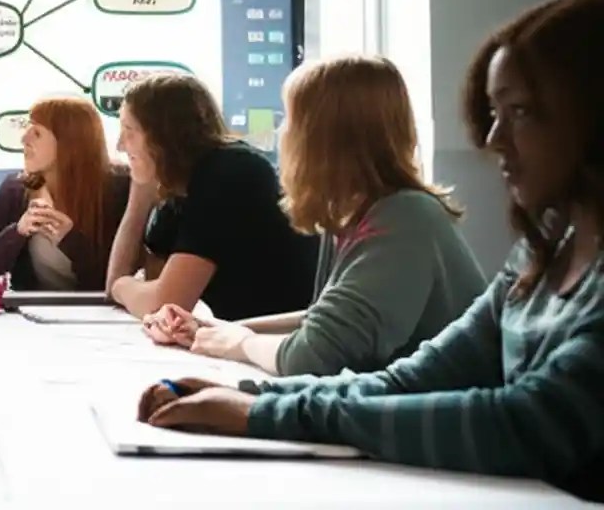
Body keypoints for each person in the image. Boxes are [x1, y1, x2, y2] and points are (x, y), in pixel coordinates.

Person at [136, 0, 604, 502]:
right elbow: (417, 379)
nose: (493, 139)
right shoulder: (540, 256)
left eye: (521, 112)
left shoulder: (405, 218)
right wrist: (251, 394)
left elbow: (523, 425)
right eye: (494, 112)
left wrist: (264, 410)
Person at [142, 56, 487, 377]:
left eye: (290, 120)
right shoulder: (358, 216)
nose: (282, 132)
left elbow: (314, 356)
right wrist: (214, 330)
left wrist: (240, 343)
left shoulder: (404, 219)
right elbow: (322, 321)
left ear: (326, 139)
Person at [106, 73, 318, 320]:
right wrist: (140, 198)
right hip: (238, 333)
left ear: (164, 136)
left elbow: (165, 304)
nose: (120, 145)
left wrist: (122, 286)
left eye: (129, 131)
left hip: (280, 336)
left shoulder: (230, 172)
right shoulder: (182, 190)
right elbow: (148, 286)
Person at [0, 97, 131, 290]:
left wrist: (70, 240)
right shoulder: (15, 191)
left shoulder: (118, 189)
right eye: (27, 129)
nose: (24, 139)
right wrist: (17, 232)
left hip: (98, 308)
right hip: (31, 308)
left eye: (37, 133)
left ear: (69, 144)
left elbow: (118, 281)